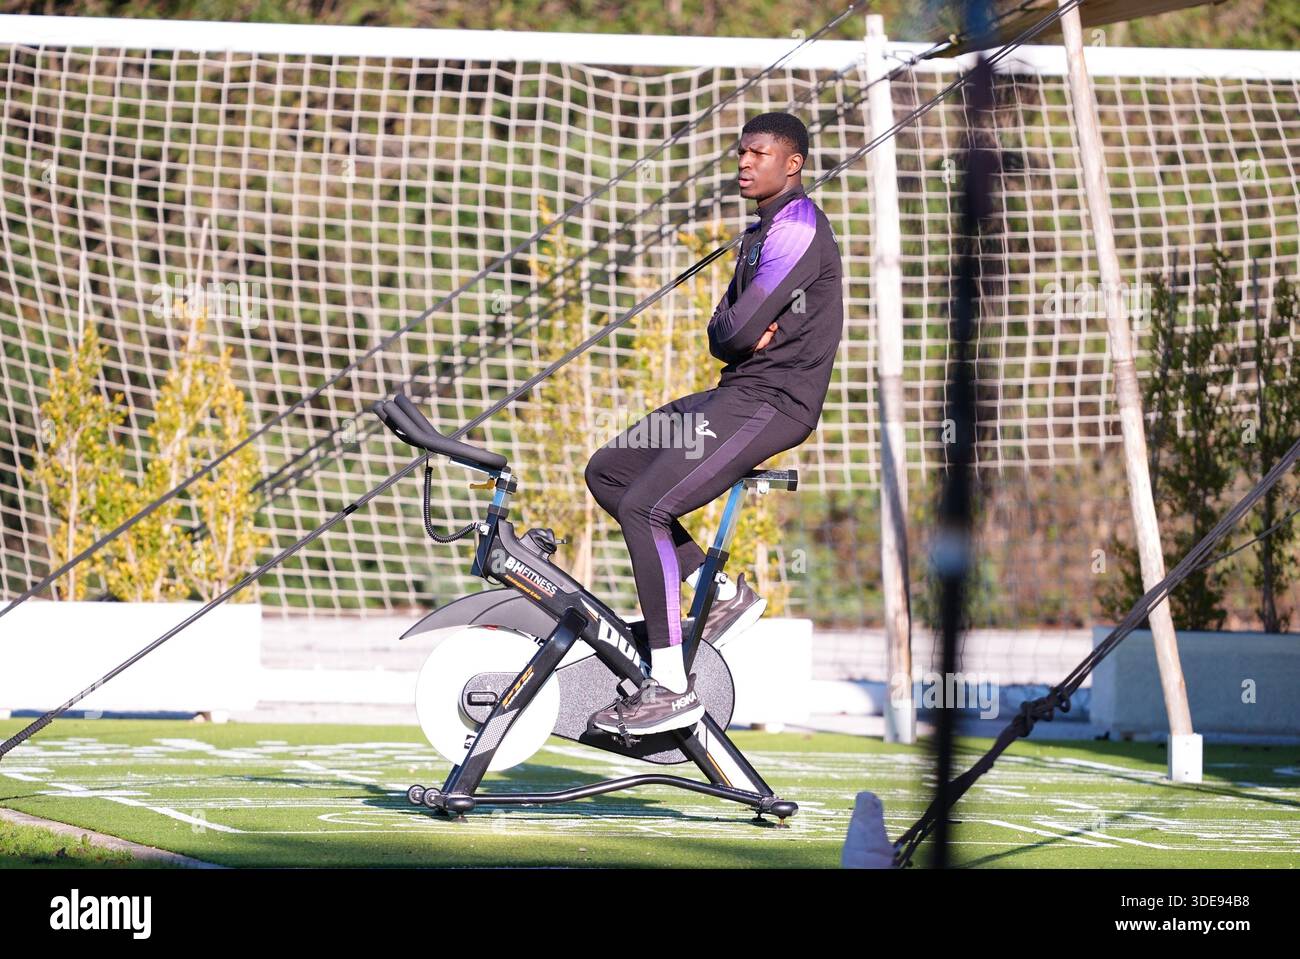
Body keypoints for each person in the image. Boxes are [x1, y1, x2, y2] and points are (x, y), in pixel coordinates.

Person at [583, 112, 844, 736]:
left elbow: (739, 329)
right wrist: (737, 333)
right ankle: (721, 590)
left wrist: (739, 333)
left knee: (646, 506)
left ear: (793, 163)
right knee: (611, 471)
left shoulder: (798, 228)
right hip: (735, 391)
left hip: (774, 401)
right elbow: (725, 336)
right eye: (740, 153)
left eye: (758, 154)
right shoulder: (761, 231)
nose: (744, 164)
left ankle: (669, 685)